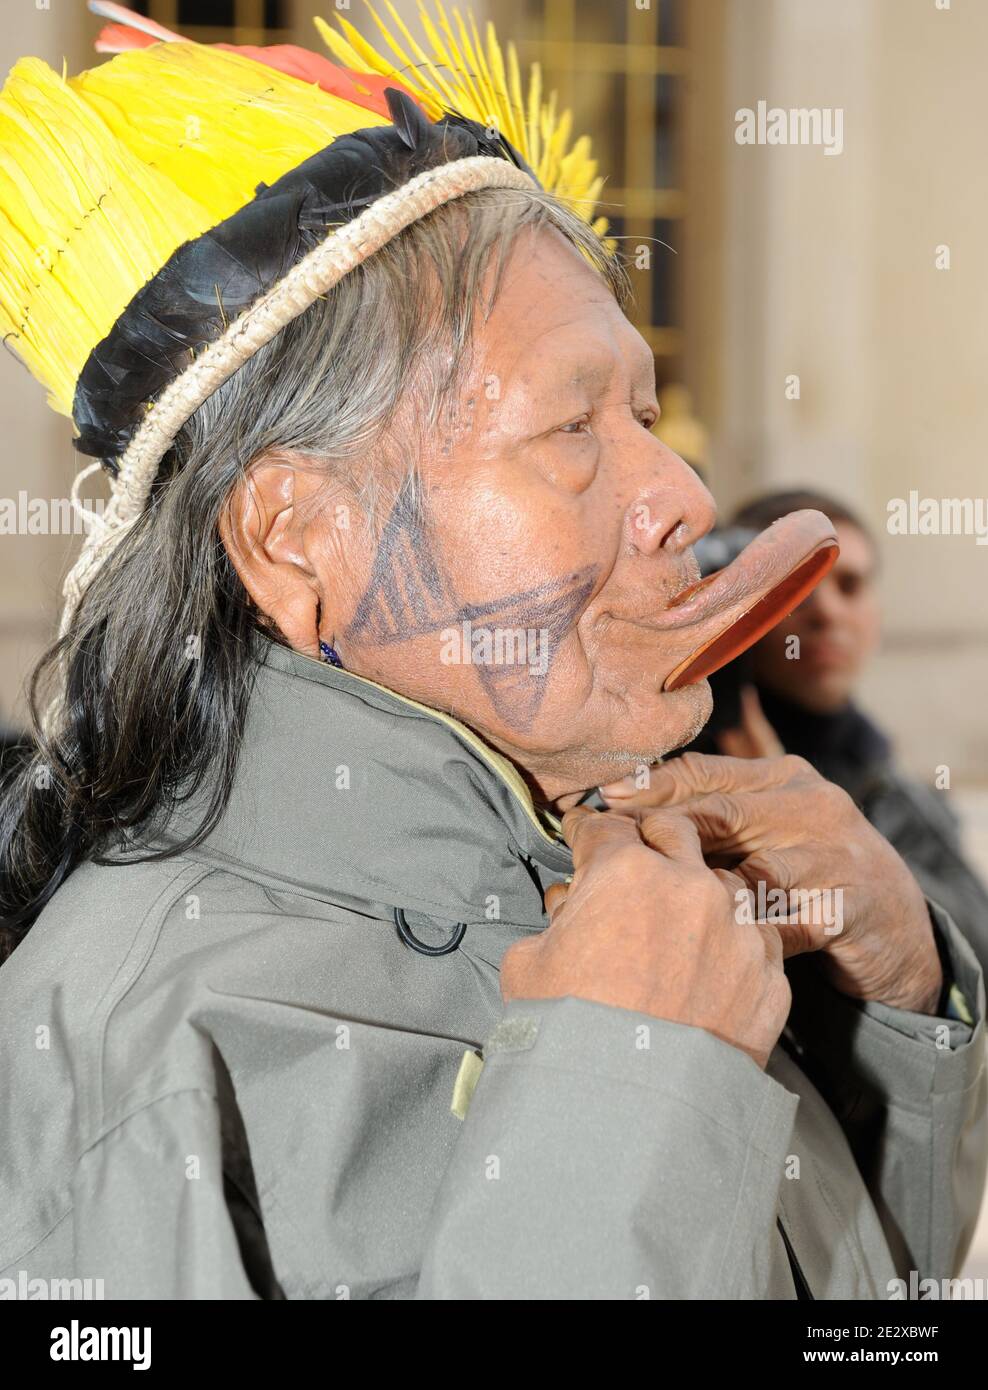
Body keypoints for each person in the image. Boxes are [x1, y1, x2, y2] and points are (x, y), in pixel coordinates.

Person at [0, 4, 983, 1301]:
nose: (683, 492)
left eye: (643, 407)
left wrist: (895, 1004)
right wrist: (625, 1083)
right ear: (300, 539)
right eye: (573, 425)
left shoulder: (628, 877)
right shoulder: (137, 1048)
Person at [698, 488, 988, 983]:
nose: (826, 613)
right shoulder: (685, 772)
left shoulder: (892, 779)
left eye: (849, 585)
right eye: (797, 588)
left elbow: (973, 947)